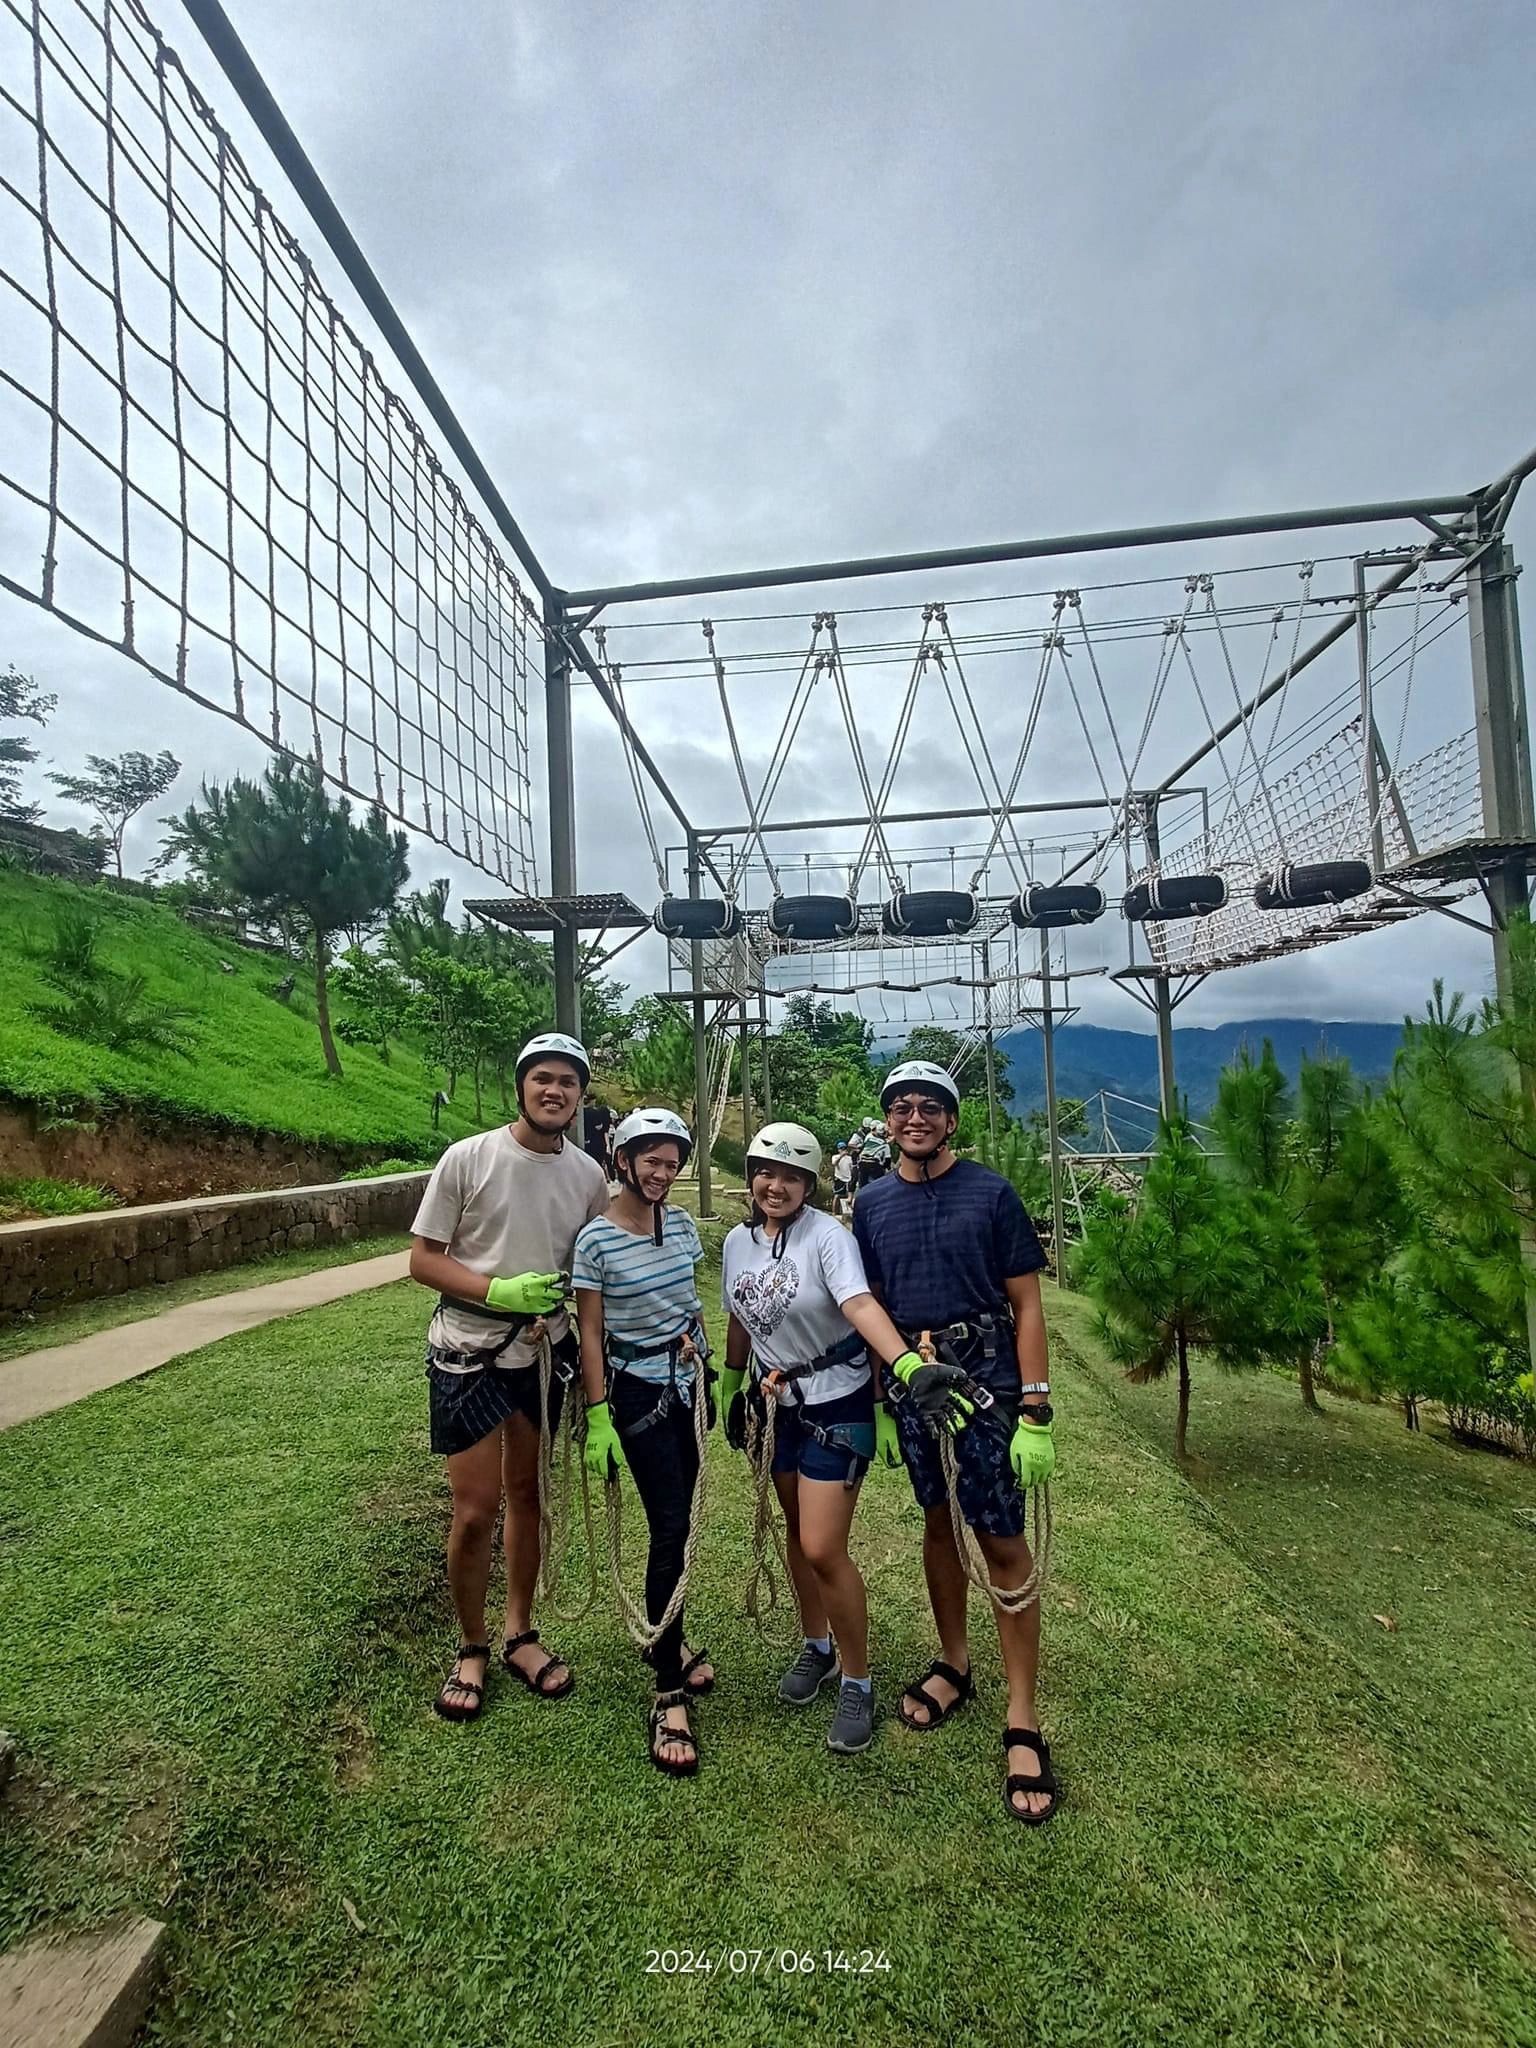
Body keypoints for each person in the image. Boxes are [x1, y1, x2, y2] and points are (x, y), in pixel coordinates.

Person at [852, 1059, 1061, 1824]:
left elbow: (1027, 1304)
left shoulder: (991, 1192)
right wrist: (881, 1398)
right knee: (938, 1523)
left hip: (988, 1386)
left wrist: (1035, 1409)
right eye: (901, 1107)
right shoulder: (870, 1206)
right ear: (887, 1121)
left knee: (1002, 1541)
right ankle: (955, 1662)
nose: (915, 1118)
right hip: (915, 1387)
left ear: (951, 1120)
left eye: (929, 1108)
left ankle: (1022, 1713)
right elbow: (865, 1303)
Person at [409, 1031, 608, 1722]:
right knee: (474, 1510)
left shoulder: (587, 1177)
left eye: (568, 1082)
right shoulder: (469, 1158)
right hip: (468, 1350)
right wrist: (497, 1293)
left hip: (540, 1356)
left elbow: (592, 1274)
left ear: (581, 1097)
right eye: (543, 1078)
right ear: (521, 1085)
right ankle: (470, 1644)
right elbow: (423, 1261)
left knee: (528, 1496)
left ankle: (518, 1630)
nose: (554, 1091)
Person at [719, 1124, 925, 1754]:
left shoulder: (828, 1238)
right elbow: (740, 1311)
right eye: (764, 1173)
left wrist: (904, 1366)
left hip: (835, 1403)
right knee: (795, 1535)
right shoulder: (736, 1240)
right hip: (773, 1402)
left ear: (809, 1185)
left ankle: (857, 1679)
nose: (774, 1186)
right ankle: (818, 1646)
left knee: (823, 1546)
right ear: (751, 1176)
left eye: (790, 1177)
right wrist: (732, 1380)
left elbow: (859, 1304)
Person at [573, 1108, 712, 1777]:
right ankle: (667, 1692)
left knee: (684, 1527)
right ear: (623, 1160)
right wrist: (598, 1413)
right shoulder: (596, 1242)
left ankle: (670, 1639)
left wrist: (697, 1342)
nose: (662, 1173)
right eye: (650, 1160)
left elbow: (690, 1299)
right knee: (668, 1526)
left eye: (671, 1162)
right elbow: (592, 1333)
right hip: (636, 1394)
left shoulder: (682, 1225)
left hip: (685, 1383)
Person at [582, 1092, 614, 1177]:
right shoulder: (594, 1112)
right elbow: (599, 1127)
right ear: (592, 1101)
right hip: (595, 1141)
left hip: (584, 1139)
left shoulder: (580, 1112)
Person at [831, 1139, 856, 1219]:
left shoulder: (850, 1158)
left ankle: (846, 1215)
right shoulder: (835, 1157)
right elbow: (834, 1164)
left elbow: (852, 1169)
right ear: (838, 1150)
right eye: (841, 1148)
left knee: (848, 1197)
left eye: (844, 1148)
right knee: (837, 1195)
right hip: (839, 1178)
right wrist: (841, 1156)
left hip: (848, 1179)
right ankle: (834, 1213)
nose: (843, 1150)